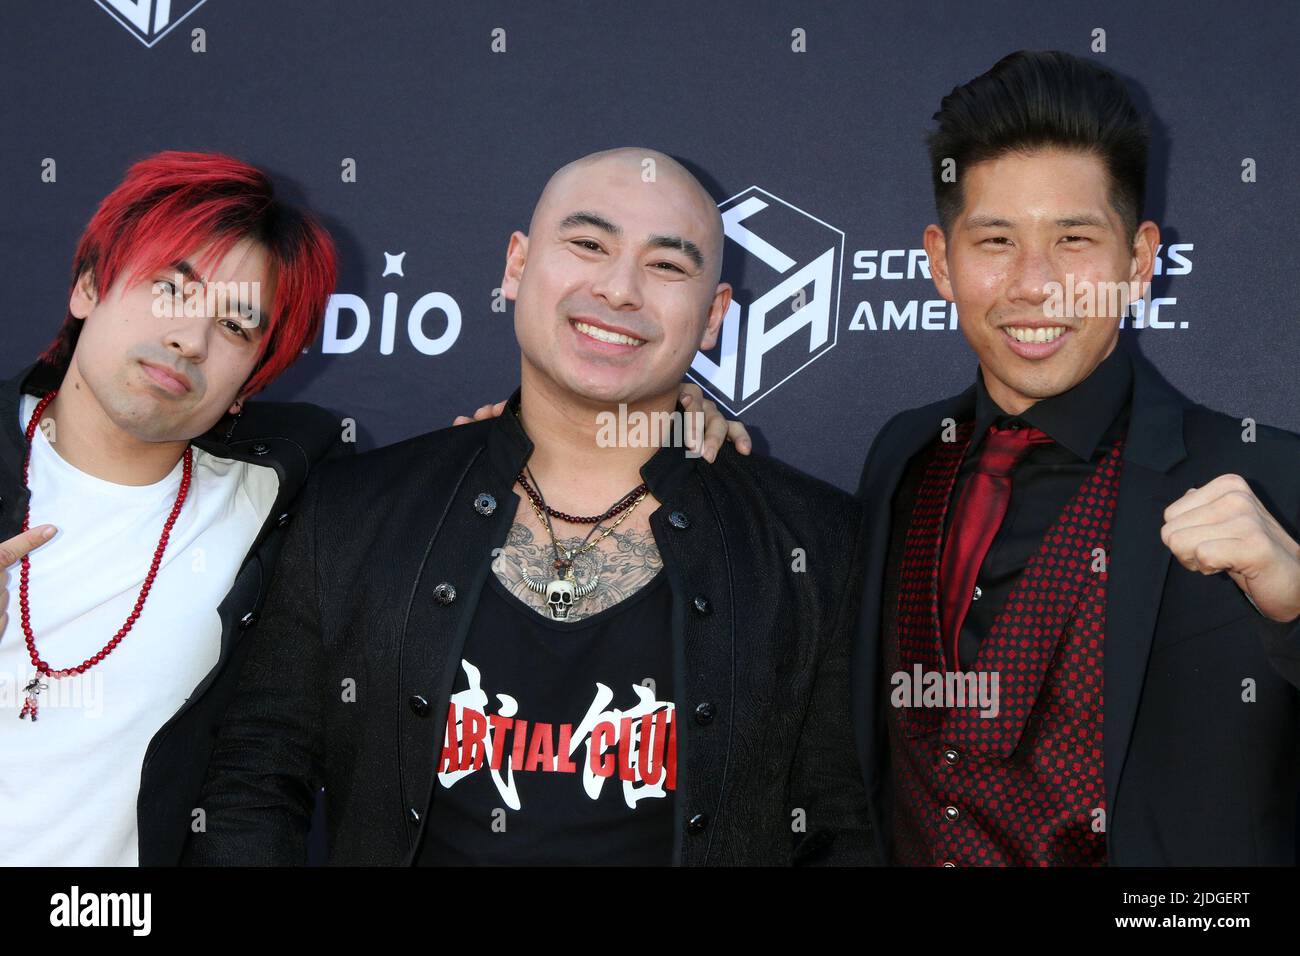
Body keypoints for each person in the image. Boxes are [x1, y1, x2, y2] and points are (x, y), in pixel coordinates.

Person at [183, 147, 872, 866]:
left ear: (713, 316)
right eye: (587, 245)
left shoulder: (816, 546)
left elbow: (842, 831)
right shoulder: (351, 512)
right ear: (516, 266)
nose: (619, 289)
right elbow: (253, 785)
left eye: (667, 266)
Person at [0, 150, 344, 866]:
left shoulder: (283, 498)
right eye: (169, 288)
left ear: (254, 378)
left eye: (238, 327)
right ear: (90, 286)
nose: (190, 338)